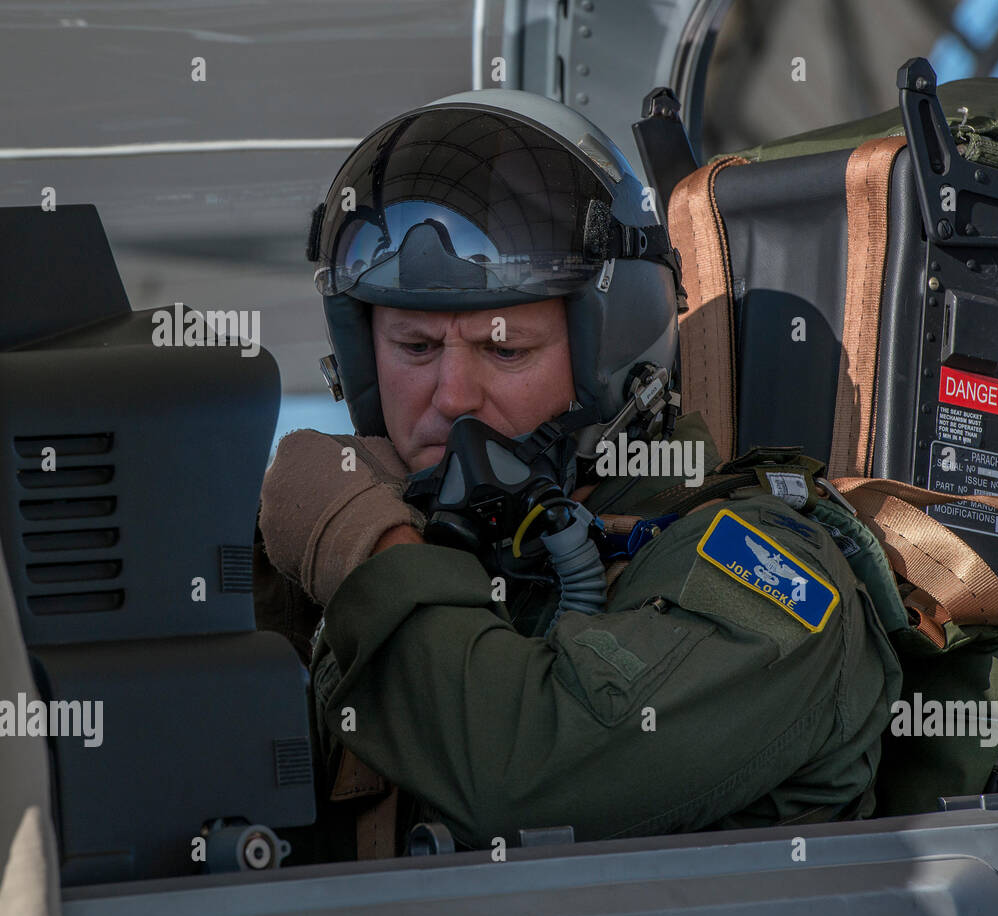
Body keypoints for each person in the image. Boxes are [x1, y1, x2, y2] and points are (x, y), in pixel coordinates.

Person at [255, 90, 902, 858]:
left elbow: (515, 779)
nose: (452, 395)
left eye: (505, 351)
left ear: (614, 360)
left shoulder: (768, 574)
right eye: (415, 348)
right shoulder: (433, 545)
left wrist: (365, 544)